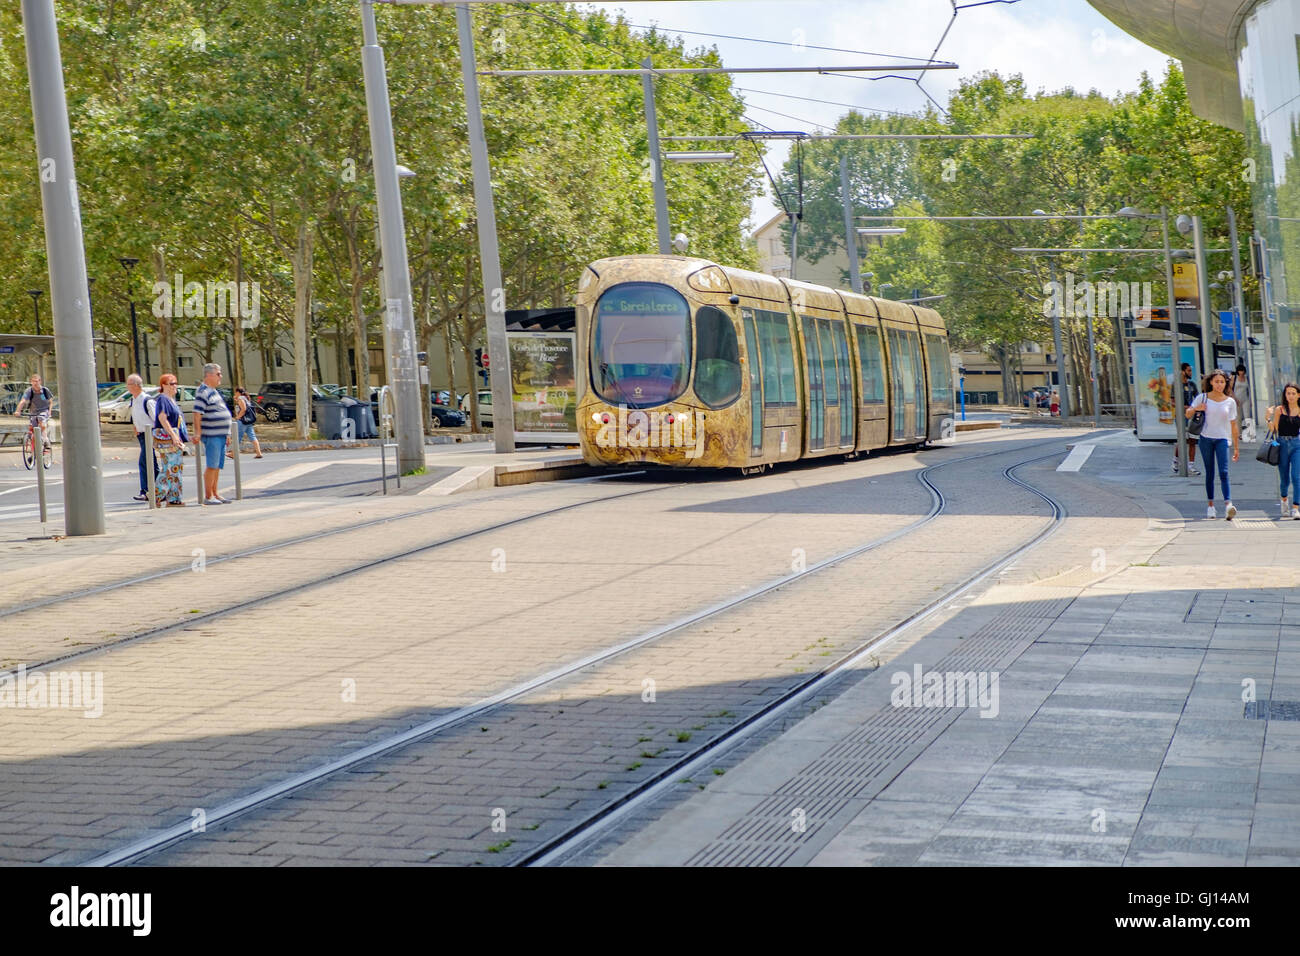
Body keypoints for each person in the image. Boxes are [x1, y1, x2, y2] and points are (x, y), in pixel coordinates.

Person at [1187, 369, 1240, 520]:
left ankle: (1228, 505)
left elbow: (1234, 425)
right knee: (1209, 472)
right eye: (1216, 381)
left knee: (1224, 472)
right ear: (1210, 382)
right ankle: (1210, 506)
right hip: (1206, 438)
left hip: (1222, 439)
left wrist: (1236, 446)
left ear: (1226, 383)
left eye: (1222, 382)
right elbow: (1188, 413)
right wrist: (1197, 408)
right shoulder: (1202, 398)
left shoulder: (1230, 402)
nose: (1219, 385)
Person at [192, 363, 233, 504]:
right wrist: (197, 433)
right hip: (211, 434)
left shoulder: (214, 391)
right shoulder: (203, 392)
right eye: (218, 374)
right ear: (209, 375)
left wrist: (227, 433)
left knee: (218, 466)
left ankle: (215, 493)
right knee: (212, 465)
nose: (220, 376)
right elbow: (197, 414)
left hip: (220, 434)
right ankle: (208, 496)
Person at [152, 374, 188, 507]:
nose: (175, 386)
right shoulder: (163, 399)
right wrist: (173, 435)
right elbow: (162, 418)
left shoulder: (171, 400)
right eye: (172, 383)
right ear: (164, 385)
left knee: (176, 468)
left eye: (175, 383)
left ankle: (174, 498)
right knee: (169, 469)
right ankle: (157, 495)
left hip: (176, 439)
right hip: (170, 439)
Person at [125, 374, 158, 502]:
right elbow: (137, 415)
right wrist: (136, 426)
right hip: (141, 435)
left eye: (129, 384)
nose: (127, 387)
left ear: (136, 385)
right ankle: (158, 489)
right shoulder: (134, 399)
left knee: (144, 462)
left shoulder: (147, 400)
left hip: (149, 434)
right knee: (151, 463)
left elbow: (156, 419)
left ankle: (145, 491)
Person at [1270, 383, 1300, 520]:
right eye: (1288, 393)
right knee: (1284, 479)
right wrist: (1267, 418)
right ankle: (1284, 501)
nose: (1291, 396)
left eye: (1294, 393)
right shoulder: (1279, 410)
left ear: (1298, 395)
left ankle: (1295, 508)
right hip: (1282, 444)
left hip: (1296, 445)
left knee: (1296, 477)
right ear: (1285, 395)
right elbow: (1274, 429)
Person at [1173, 363, 1200, 476]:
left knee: (1193, 440)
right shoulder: (1176, 385)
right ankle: (1175, 461)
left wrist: (1196, 407)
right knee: (1183, 440)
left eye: (1190, 370)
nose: (1190, 373)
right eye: (1188, 371)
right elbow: (1172, 402)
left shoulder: (1192, 385)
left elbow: (1198, 398)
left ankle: (1191, 466)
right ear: (1182, 371)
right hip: (1181, 416)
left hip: (1192, 416)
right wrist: (1184, 407)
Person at [13, 373, 53, 451]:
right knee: (33, 429)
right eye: (33, 381)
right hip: (33, 412)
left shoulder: (45, 390)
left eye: (36, 381)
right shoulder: (29, 391)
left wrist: (49, 411)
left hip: (44, 411)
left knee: (42, 422)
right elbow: (23, 401)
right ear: (31, 382)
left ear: (40, 381)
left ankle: (45, 440)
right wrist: (18, 411)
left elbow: (51, 402)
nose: (35, 383)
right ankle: (34, 452)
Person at [230, 386, 263, 459]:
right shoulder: (246, 398)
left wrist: (237, 417)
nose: (235, 393)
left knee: (237, 437)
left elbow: (243, 409)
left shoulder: (241, 399)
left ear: (238, 392)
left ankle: (233, 454)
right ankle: (258, 453)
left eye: (235, 392)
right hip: (249, 421)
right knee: (252, 436)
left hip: (242, 421)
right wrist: (236, 399)